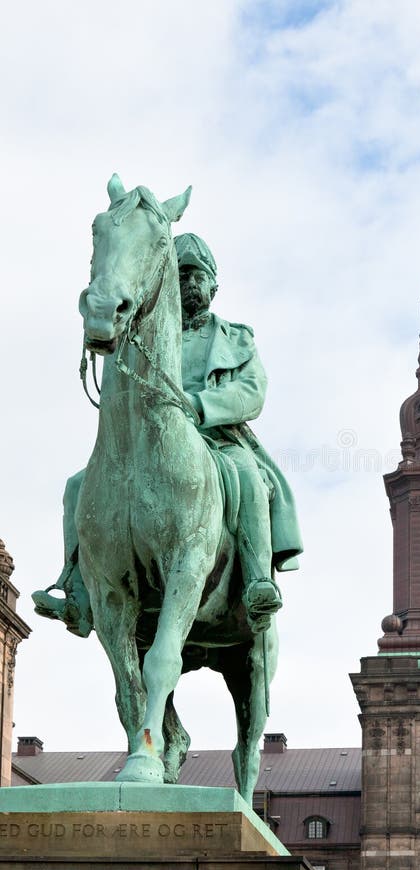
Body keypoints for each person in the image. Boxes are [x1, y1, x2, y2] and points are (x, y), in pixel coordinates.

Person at [33, 233, 302, 636]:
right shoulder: (148, 339)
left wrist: (200, 406)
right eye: (184, 276)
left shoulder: (237, 338)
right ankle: (77, 588)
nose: (191, 284)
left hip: (219, 440)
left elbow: (251, 392)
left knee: (248, 475)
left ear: (214, 285)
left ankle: (256, 581)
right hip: (151, 444)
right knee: (77, 486)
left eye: (199, 277)